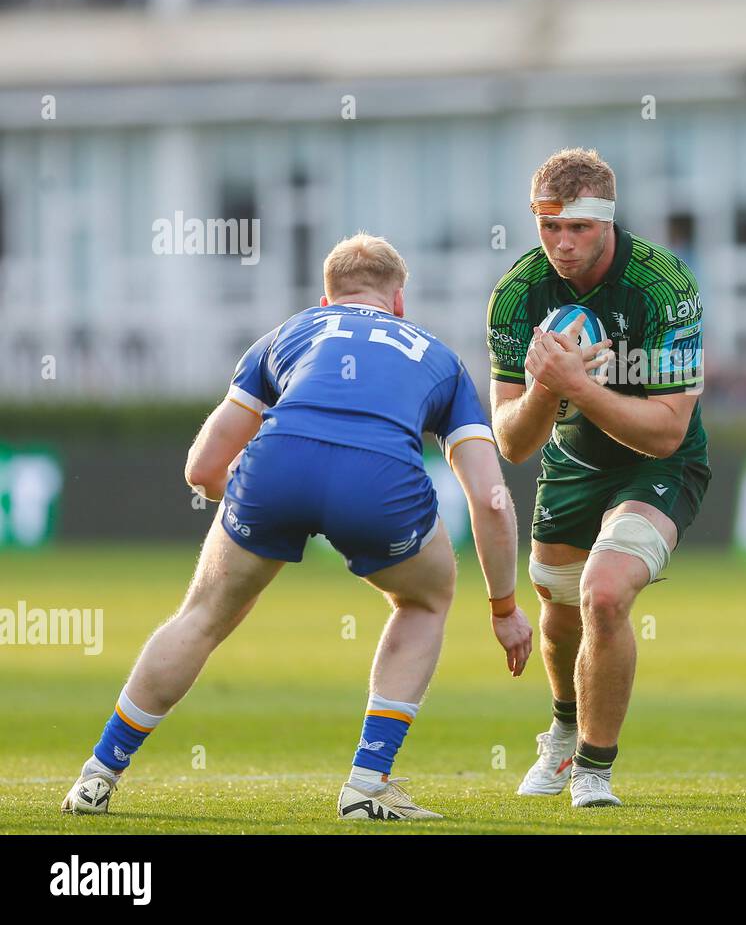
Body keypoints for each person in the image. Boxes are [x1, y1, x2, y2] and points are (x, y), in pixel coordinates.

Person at [61, 233, 530, 821]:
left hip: (278, 462)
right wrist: (504, 608)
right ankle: (367, 782)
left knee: (201, 617)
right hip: (379, 483)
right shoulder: (439, 358)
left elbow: (202, 468)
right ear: (399, 300)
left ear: (326, 298)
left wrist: (250, 498)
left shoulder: (288, 333)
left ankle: (98, 775)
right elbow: (489, 500)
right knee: (425, 599)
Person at [487, 148, 710, 807]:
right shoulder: (516, 294)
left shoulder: (664, 287)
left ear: (608, 221)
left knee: (605, 594)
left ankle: (593, 768)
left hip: (658, 463)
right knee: (558, 613)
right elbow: (513, 442)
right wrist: (543, 391)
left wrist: (578, 388)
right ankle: (560, 734)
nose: (562, 243)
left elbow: (667, 429)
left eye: (578, 227)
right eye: (549, 226)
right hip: (570, 463)